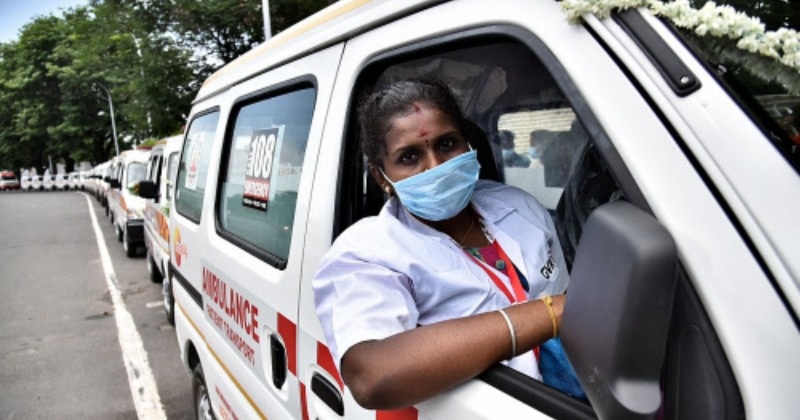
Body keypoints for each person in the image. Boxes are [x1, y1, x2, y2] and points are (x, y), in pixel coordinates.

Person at [312, 78, 574, 410]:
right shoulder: (367, 252)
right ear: (381, 176)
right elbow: (371, 377)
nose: (436, 166)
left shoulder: (519, 205)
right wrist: (552, 313)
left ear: (468, 144)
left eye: (447, 144)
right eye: (409, 156)